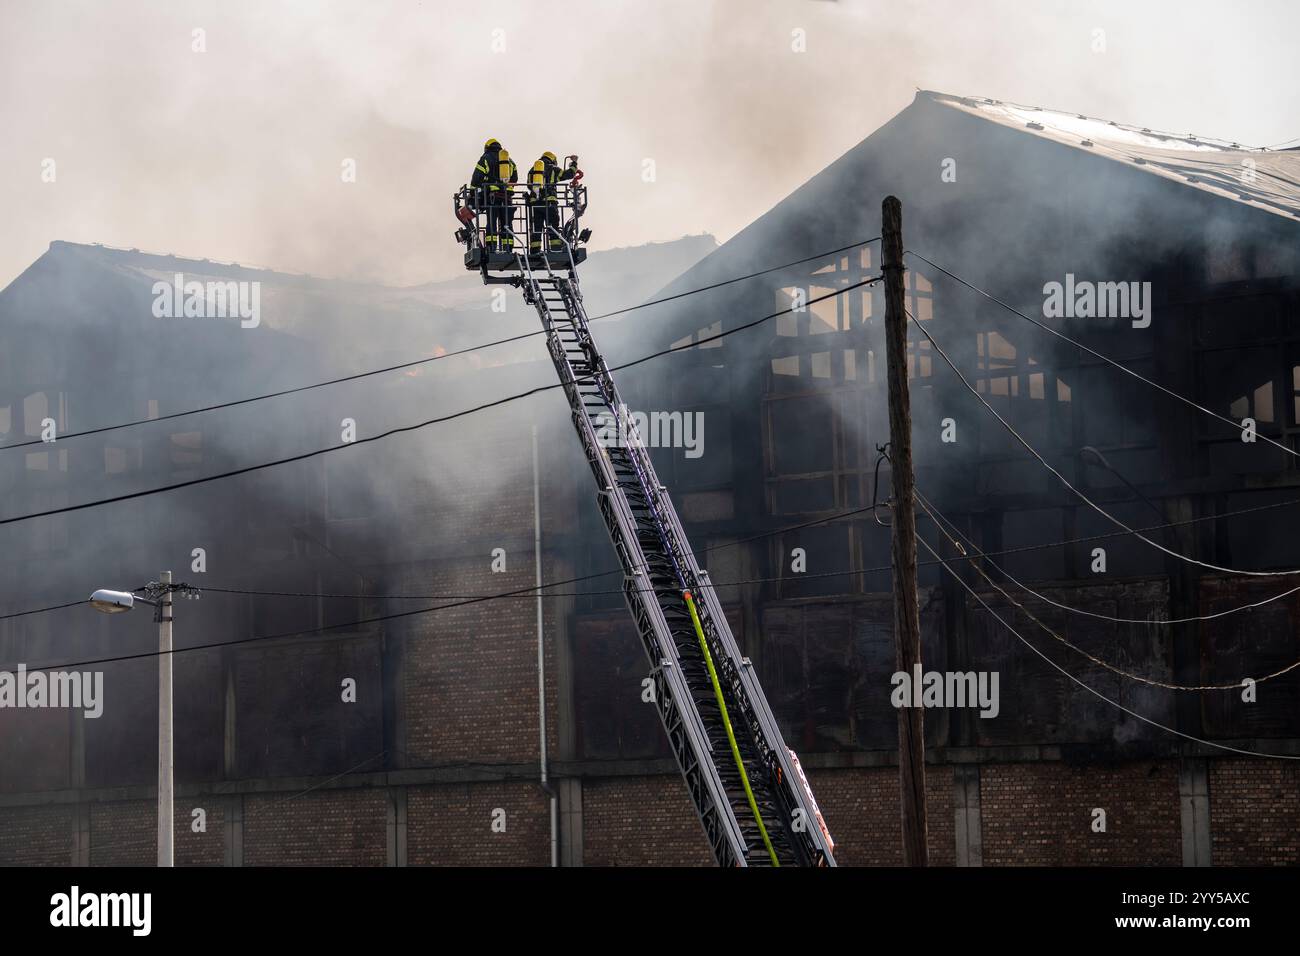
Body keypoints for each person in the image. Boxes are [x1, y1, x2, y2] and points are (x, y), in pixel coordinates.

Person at [470, 138, 518, 252]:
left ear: (487, 148)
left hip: (492, 197)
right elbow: (514, 179)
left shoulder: (486, 158)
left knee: (491, 222)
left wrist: (473, 194)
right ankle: (508, 247)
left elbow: (477, 178)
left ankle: (491, 247)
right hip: (507, 197)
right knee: (507, 223)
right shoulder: (510, 161)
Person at [528, 151, 579, 253]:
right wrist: (574, 163)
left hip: (535, 204)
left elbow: (529, 185)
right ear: (552, 159)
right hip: (550, 203)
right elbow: (569, 174)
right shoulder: (553, 168)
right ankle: (555, 249)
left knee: (536, 227)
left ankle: (534, 250)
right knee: (553, 226)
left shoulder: (532, 170)